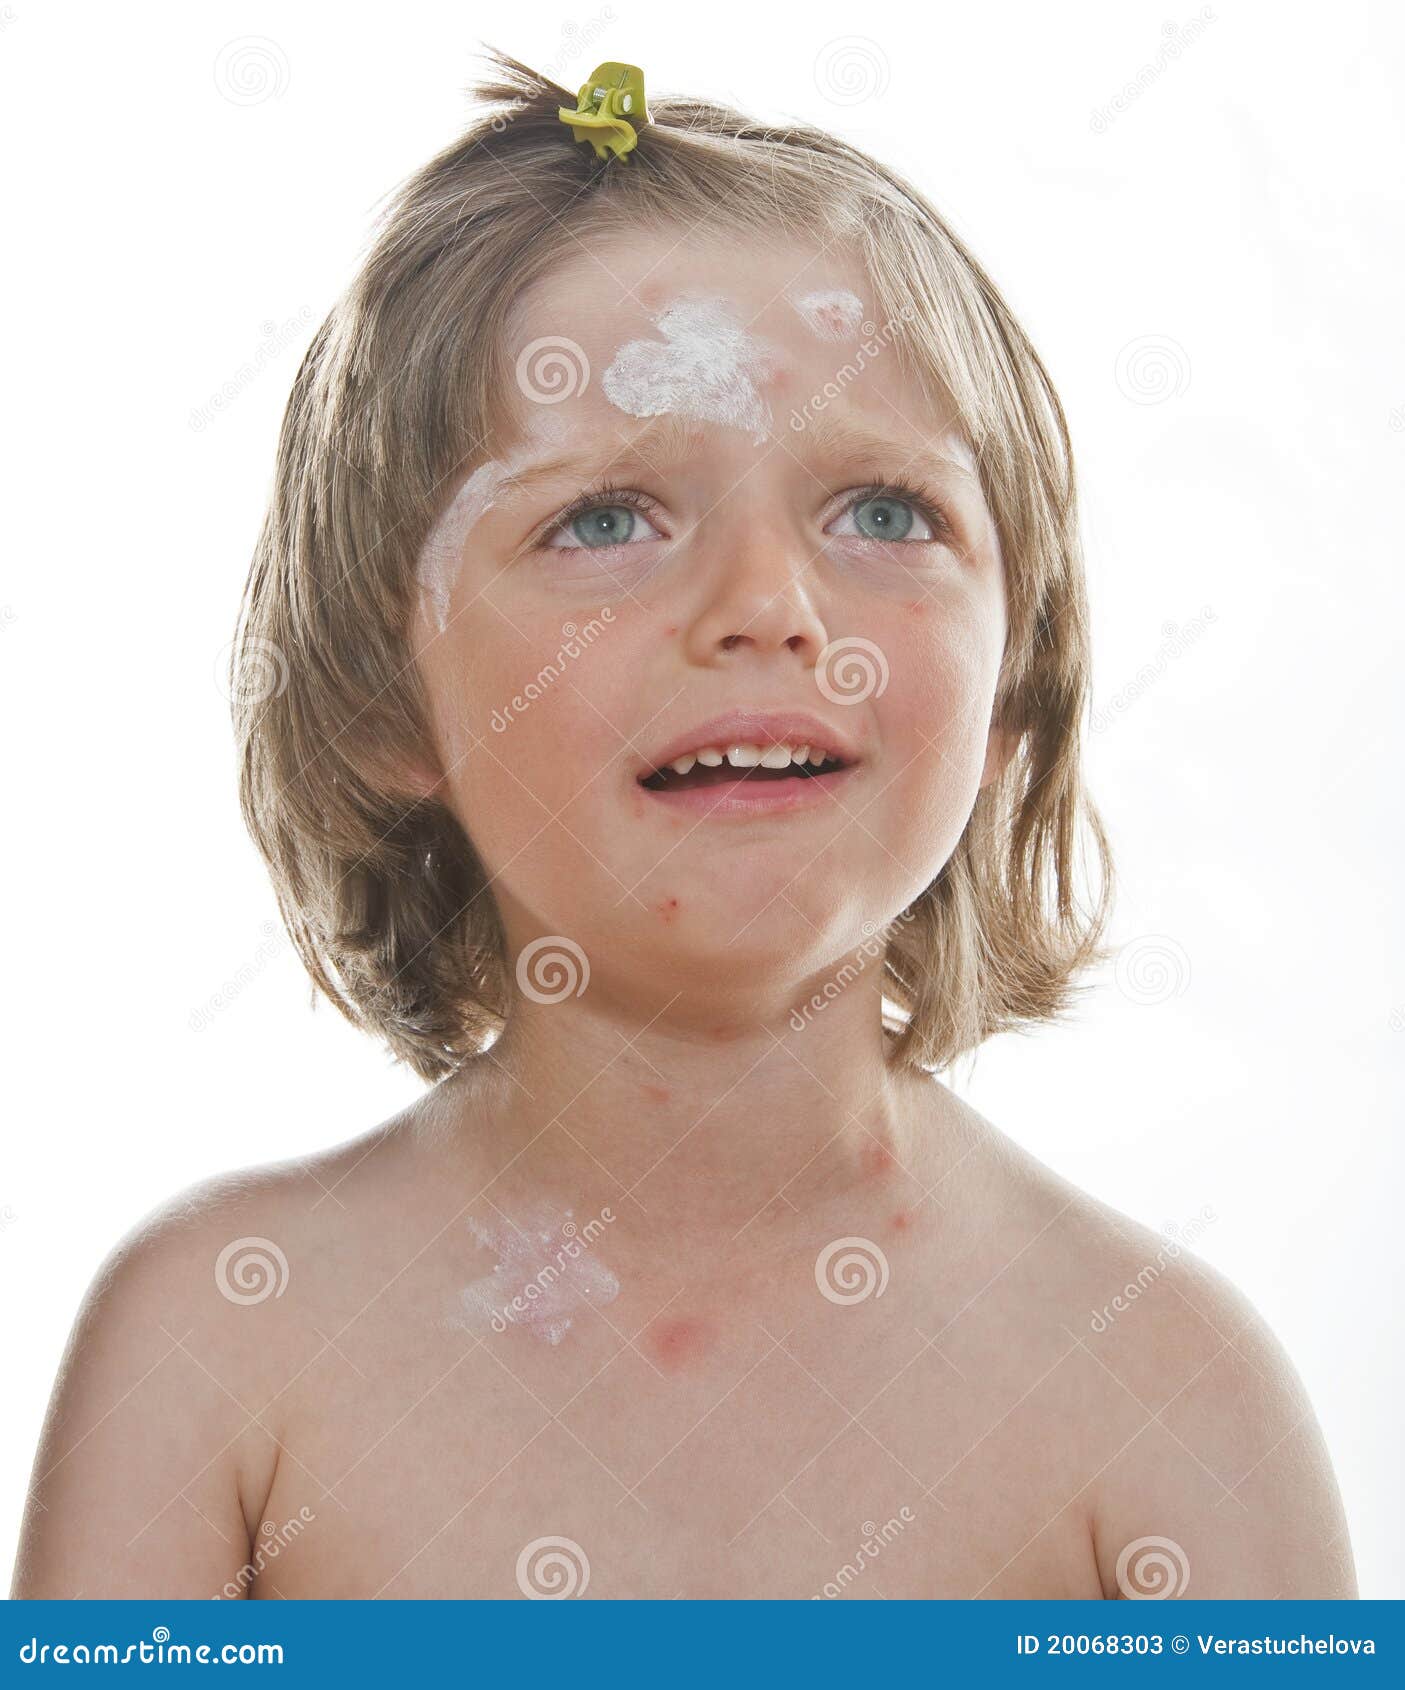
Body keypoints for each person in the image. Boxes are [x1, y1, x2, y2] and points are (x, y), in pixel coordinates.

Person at [11, 49, 1356, 1601]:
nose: (769, 608)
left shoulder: (1168, 1396)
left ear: (1011, 694)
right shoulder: (220, 1352)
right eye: (602, 519)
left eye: (880, 511)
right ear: (385, 698)